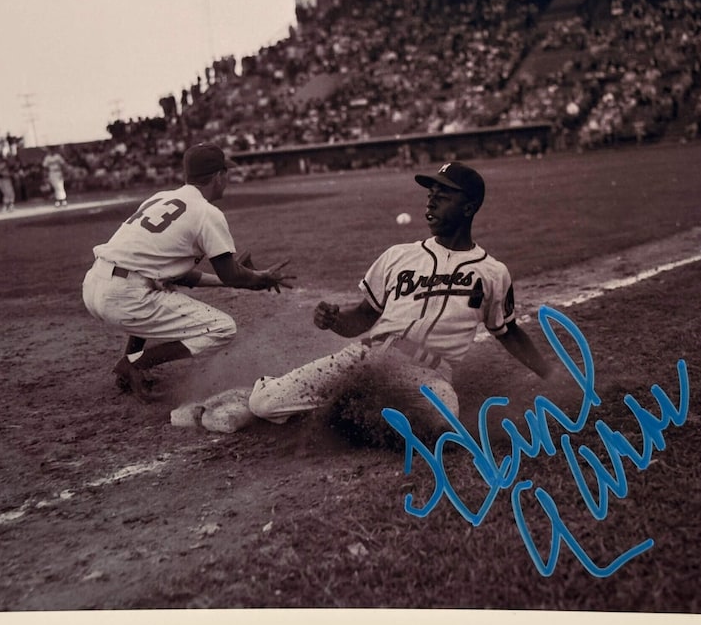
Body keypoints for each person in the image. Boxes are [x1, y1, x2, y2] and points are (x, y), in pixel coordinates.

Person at [191, 161, 552, 433]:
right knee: (264, 403)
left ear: (469, 208)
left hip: (429, 374)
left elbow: (508, 331)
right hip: (369, 357)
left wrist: (551, 375)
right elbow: (364, 317)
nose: (431, 201)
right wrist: (334, 320)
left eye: (443, 196)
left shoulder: (492, 272)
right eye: (430, 194)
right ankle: (270, 393)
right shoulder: (398, 256)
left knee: (443, 422)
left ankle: (342, 408)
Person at [82, 143, 295, 402]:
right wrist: (257, 278)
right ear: (218, 176)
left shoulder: (159, 198)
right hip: (126, 298)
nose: (227, 179)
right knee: (222, 328)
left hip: (95, 284)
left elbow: (179, 275)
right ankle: (134, 364)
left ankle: (130, 364)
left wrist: (240, 279)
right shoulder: (207, 213)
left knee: (160, 286)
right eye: (225, 173)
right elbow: (232, 276)